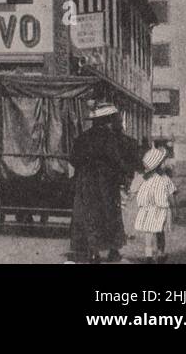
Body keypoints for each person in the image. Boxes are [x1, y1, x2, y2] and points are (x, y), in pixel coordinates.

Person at [69, 103, 131, 263]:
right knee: (110, 214)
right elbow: (116, 160)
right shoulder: (110, 137)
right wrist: (124, 173)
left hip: (86, 182)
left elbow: (73, 159)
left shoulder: (83, 137)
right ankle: (113, 250)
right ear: (107, 120)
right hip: (105, 182)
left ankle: (93, 252)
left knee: (89, 215)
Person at [133, 148, 176, 263]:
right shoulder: (165, 179)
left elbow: (133, 189)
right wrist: (173, 208)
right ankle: (161, 253)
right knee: (160, 232)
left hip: (146, 210)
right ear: (159, 164)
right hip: (160, 210)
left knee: (148, 233)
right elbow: (171, 196)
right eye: (163, 162)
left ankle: (149, 256)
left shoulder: (143, 178)